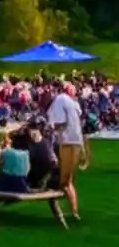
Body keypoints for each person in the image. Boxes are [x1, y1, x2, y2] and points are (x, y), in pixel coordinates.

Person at [47, 84, 84, 220]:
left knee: (62, 182)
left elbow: (60, 122)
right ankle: (74, 212)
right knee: (68, 181)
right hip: (75, 142)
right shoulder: (72, 102)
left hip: (67, 142)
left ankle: (70, 213)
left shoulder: (60, 100)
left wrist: (51, 129)